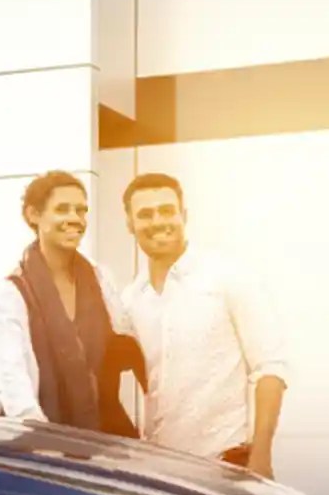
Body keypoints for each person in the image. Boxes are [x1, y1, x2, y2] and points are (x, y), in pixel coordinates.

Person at [120, 173, 289, 479]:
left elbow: (270, 368)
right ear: (130, 225)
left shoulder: (228, 277)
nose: (158, 221)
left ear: (183, 215)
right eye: (145, 214)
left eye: (167, 210)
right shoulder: (131, 299)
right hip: (161, 469)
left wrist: (261, 456)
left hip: (226, 462)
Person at [0, 171, 144, 437]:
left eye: (81, 210)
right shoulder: (14, 290)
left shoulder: (99, 278)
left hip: (104, 437)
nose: (75, 219)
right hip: (45, 443)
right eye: (62, 209)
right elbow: (14, 380)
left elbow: (130, 343)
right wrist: (43, 446)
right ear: (33, 215)